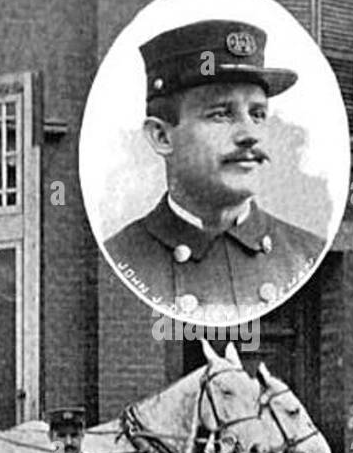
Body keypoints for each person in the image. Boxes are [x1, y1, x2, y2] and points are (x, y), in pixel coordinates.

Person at [104, 19, 327, 322]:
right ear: (162, 136)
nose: (250, 134)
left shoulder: (305, 254)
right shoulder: (122, 256)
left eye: (258, 114)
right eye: (221, 114)